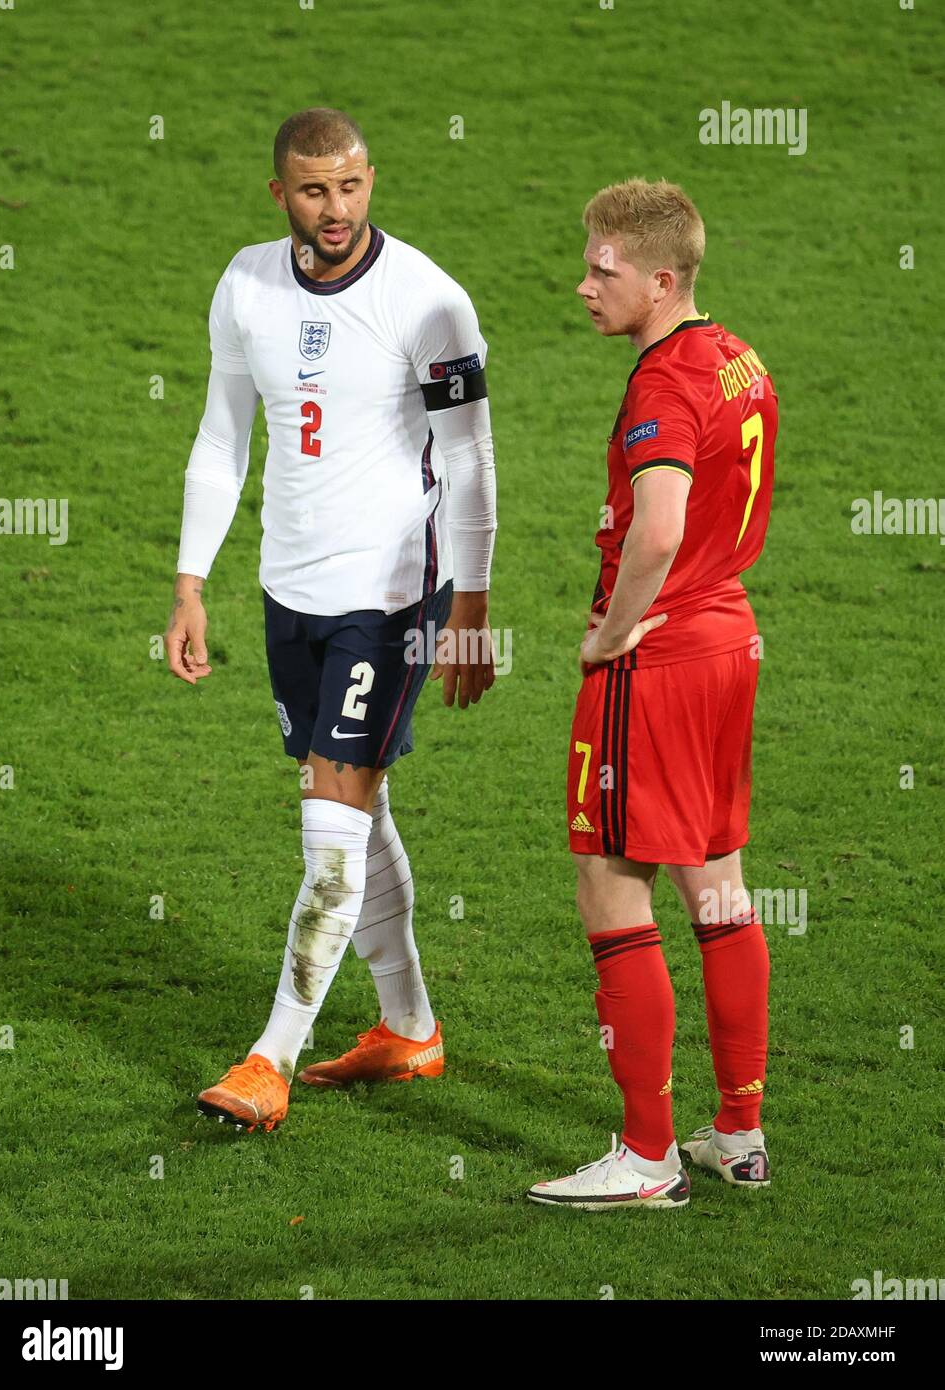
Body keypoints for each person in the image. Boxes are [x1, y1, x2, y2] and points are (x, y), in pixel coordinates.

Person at [165, 108, 497, 1133]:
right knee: (354, 809)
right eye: (315, 190)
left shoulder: (429, 301)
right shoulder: (246, 284)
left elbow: (472, 459)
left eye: (351, 186)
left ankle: (271, 1056)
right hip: (287, 593)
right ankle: (409, 1029)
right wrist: (190, 578)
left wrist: (473, 604)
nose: (337, 208)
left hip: (391, 595)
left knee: (328, 833)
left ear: (370, 180)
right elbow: (223, 439)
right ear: (281, 196)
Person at [528, 179, 777, 1209]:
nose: (583, 285)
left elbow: (660, 525)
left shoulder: (665, 382)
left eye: (604, 270)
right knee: (716, 881)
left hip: (662, 660)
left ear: (660, 278)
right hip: (727, 641)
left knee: (609, 879)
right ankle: (738, 1131)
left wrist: (614, 629)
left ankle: (644, 1158)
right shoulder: (736, 356)